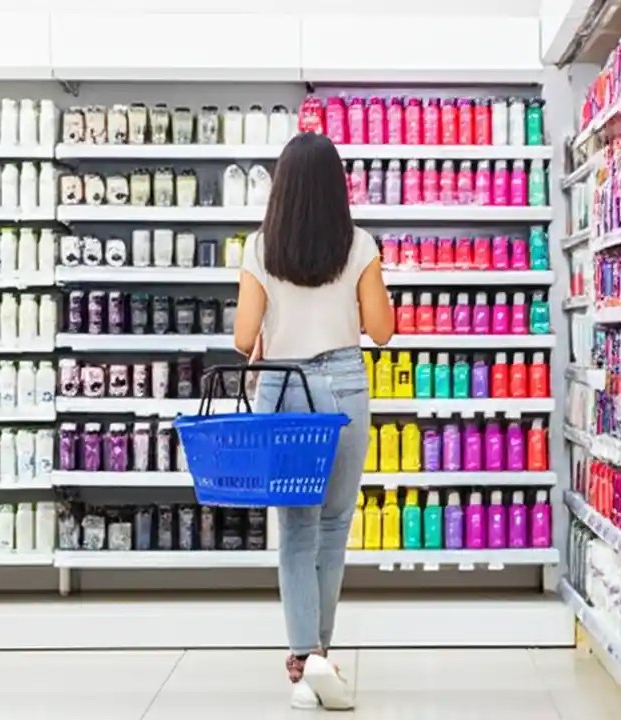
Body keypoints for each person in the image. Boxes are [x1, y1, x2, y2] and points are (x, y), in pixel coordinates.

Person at [233, 132, 394, 710]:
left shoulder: (260, 246)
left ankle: (303, 658)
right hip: (343, 385)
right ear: (337, 189)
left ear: (281, 188)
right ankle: (321, 656)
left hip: (281, 387)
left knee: (296, 531)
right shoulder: (359, 245)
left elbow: (243, 337)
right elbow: (381, 331)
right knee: (333, 527)